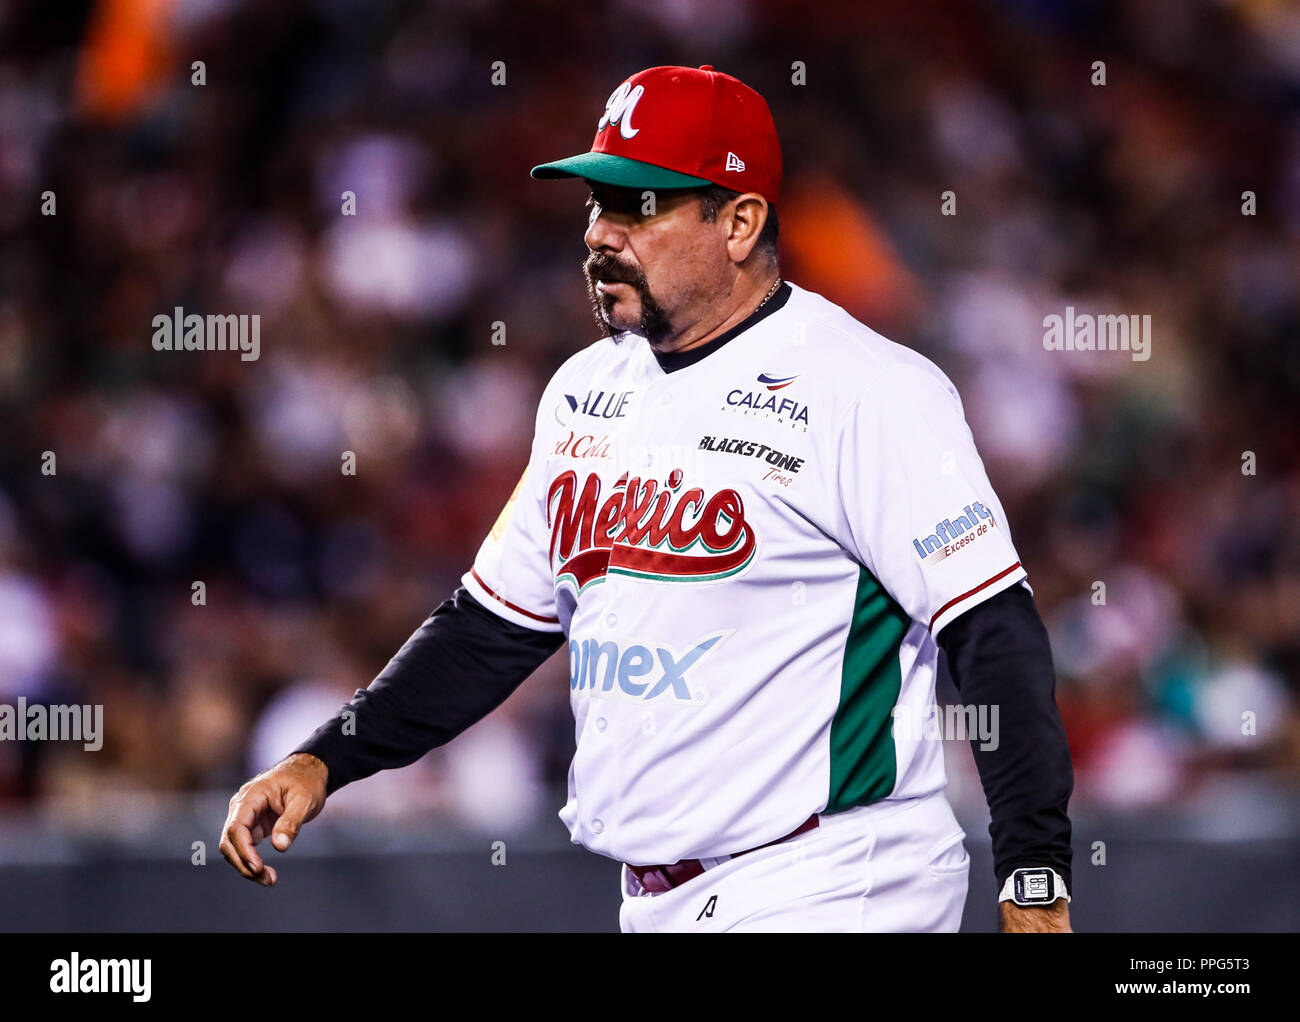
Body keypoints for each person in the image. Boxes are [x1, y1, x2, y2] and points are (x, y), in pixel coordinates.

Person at [220, 64, 1074, 933]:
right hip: (660, 900)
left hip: (830, 877)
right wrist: (323, 760)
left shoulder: (867, 388)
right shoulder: (584, 390)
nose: (601, 233)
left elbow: (992, 630)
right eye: (597, 203)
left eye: (641, 206)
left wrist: (1034, 880)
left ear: (739, 222)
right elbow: (489, 628)